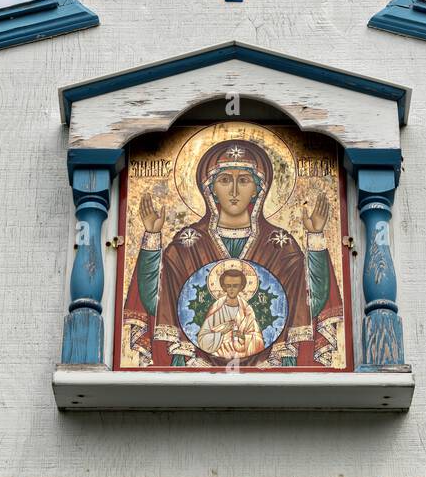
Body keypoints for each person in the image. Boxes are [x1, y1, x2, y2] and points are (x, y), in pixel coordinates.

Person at [122, 135, 343, 367]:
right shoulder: (188, 244)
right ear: (211, 188)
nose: (234, 190)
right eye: (225, 180)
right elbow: (154, 302)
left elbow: (311, 304)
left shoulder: (280, 245)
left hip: (271, 364)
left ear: (258, 189)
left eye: (245, 180)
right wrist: (152, 238)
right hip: (194, 364)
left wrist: (316, 238)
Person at [195, 266, 265, 360]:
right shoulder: (217, 310)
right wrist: (221, 332)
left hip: (242, 355)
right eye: (228, 286)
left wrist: (243, 337)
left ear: (241, 287)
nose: (231, 289)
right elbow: (202, 339)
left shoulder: (247, 311)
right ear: (223, 287)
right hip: (218, 354)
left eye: (235, 286)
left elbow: (258, 340)